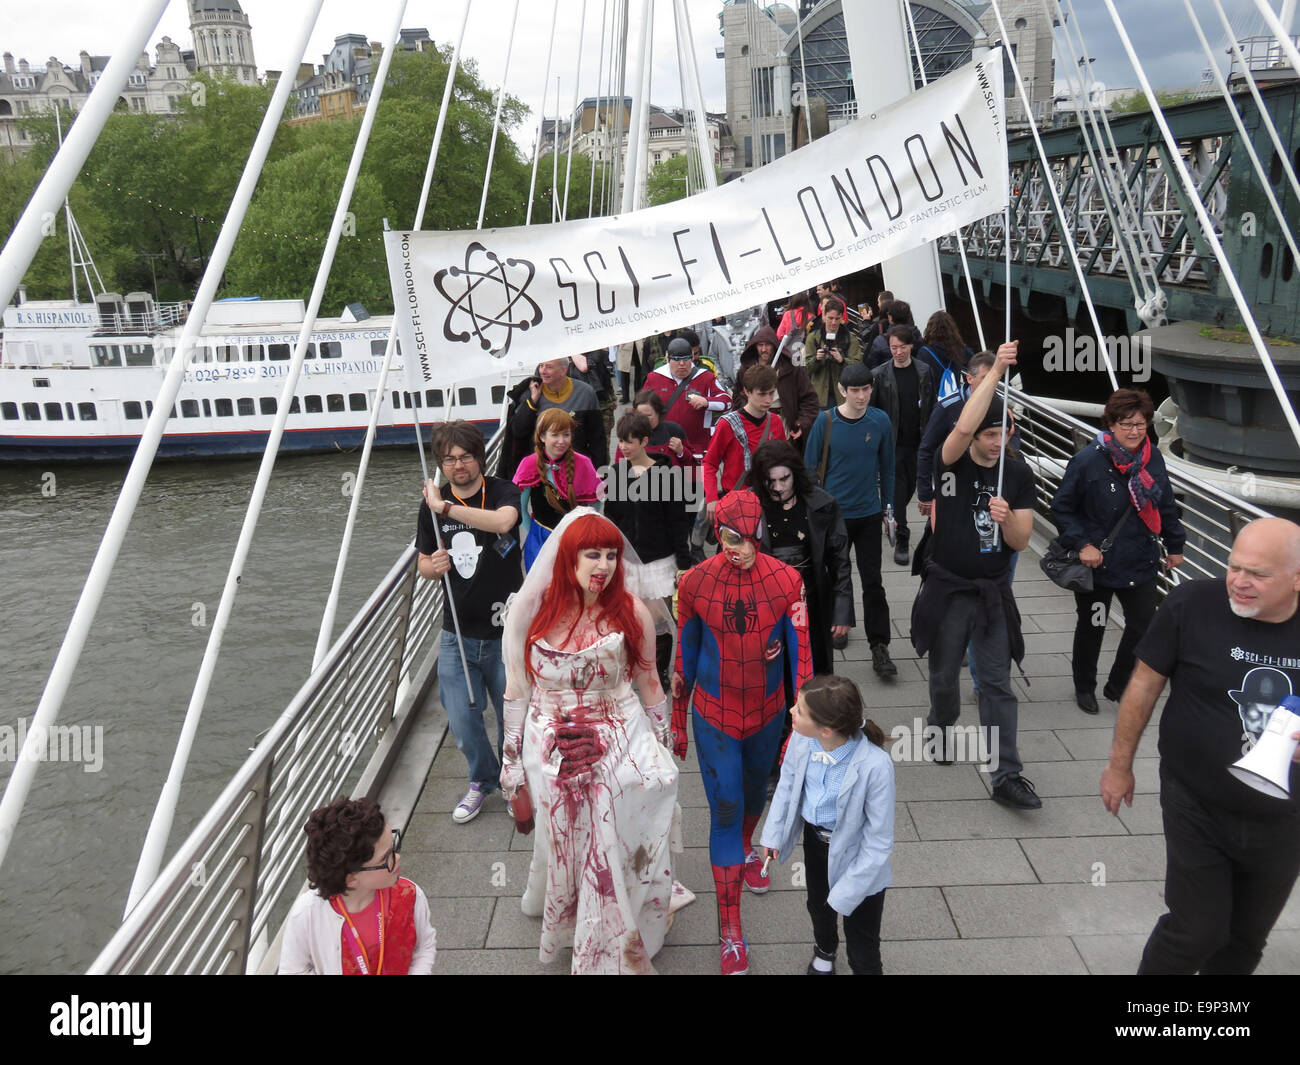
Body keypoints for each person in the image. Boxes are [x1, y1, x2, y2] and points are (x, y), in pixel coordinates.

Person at [1101, 518, 1300, 974]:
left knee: (1245, 940)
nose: (1240, 583)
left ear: (1296, 578)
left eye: (1259, 574)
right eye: (1235, 567)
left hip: (1285, 817)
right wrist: (1119, 766)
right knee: (1196, 929)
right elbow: (1145, 685)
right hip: (1196, 800)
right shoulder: (1192, 603)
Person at [499, 510, 679, 974]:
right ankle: (573, 914)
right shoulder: (530, 610)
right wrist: (512, 761)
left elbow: (650, 682)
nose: (604, 565)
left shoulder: (633, 611)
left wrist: (664, 739)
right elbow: (517, 687)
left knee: (611, 817)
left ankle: (610, 934)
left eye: (612, 555)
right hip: (549, 736)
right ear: (568, 559)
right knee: (563, 830)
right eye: (592, 554)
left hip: (618, 728)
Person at [673, 490, 813, 974]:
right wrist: (677, 718)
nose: (743, 549)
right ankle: (729, 927)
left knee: (755, 795)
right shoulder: (694, 583)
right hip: (714, 714)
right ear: (718, 533)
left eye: (753, 539)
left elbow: (802, 656)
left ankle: (750, 849)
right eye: (733, 538)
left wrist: (804, 722)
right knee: (726, 806)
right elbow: (684, 658)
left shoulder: (788, 581)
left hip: (768, 713)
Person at [910, 341, 1041, 809]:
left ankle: (1007, 774)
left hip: (991, 593)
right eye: (984, 433)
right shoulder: (954, 461)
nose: (991, 440)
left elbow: (1023, 540)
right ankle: (940, 725)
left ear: (1008, 433)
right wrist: (996, 372)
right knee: (944, 676)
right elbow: (963, 423)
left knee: (996, 683)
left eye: (999, 433)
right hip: (948, 588)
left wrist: (1008, 520)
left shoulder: (1018, 473)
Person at [1051, 389, 1186, 715]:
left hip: (1139, 559)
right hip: (1097, 565)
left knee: (1143, 626)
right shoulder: (1087, 461)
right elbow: (1062, 508)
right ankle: (1084, 686)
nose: (1134, 431)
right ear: (1111, 424)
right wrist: (1083, 545)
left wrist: (1175, 545)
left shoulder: (1152, 457)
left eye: (1140, 424)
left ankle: (1118, 684)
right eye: (1126, 424)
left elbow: (1164, 503)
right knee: (1092, 626)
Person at [417, 421, 524, 823]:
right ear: (441, 464)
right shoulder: (430, 505)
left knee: (511, 717)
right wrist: (433, 566)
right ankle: (482, 779)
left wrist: (443, 507)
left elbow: (502, 524)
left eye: (464, 457)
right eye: (449, 460)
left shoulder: (501, 491)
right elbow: (424, 561)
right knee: (462, 719)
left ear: (479, 457)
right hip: (457, 632)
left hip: (505, 632)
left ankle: (514, 781)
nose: (458, 466)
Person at [761, 675, 894, 975]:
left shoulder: (875, 766)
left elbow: (878, 841)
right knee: (818, 905)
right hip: (816, 843)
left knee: (862, 934)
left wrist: (846, 892)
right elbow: (788, 784)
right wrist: (775, 835)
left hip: (859, 857)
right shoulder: (802, 740)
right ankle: (825, 949)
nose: (791, 711)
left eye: (800, 709)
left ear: (827, 729)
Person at [805, 362, 897, 674]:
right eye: (855, 390)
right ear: (842, 390)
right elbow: (808, 469)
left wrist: (889, 509)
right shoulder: (825, 421)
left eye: (866, 389)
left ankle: (880, 645)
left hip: (869, 513)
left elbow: (888, 467)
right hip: (834, 517)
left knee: (873, 581)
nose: (862, 396)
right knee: (834, 577)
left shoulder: (880, 420)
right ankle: (839, 624)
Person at [280, 797, 437, 975]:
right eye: (386, 858)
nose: (398, 858)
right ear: (351, 879)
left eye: (393, 847)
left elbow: (424, 946)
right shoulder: (307, 914)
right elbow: (292, 970)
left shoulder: (410, 895)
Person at [604, 410, 693, 689]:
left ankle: (658, 673)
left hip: (658, 561)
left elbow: (677, 522)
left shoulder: (666, 474)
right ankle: (632, 669)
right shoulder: (617, 473)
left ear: (645, 440)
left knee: (659, 622)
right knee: (627, 619)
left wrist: (684, 563)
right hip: (627, 562)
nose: (624, 447)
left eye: (630, 441)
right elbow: (612, 520)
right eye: (621, 441)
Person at [750, 439, 852, 677]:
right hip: (764, 598)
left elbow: (840, 560)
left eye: (784, 479)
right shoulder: (749, 504)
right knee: (771, 669)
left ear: (795, 473)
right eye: (770, 481)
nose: (777, 487)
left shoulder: (822, 504)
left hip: (811, 595)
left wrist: (842, 610)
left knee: (814, 666)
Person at [872, 324, 936, 567]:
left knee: (912, 485)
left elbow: (930, 406)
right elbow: (875, 411)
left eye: (901, 347)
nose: (897, 352)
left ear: (911, 346)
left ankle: (890, 516)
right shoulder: (880, 374)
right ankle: (902, 535)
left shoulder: (924, 371)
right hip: (893, 442)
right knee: (899, 491)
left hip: (919, 441)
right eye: (893, 347)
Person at [512, 408, 602, 570]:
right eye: (555, 435)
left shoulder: (583, 463)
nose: (561, 441)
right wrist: (532, 532)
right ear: (542, 437)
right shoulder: (528, 464)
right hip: (540, 539)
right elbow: (521, 508)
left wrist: (587, 533)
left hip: (577, 538)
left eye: (566, 435)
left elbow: (595, 505)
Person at [702, 363, 786, 518]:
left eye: (771, 393)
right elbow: (709, 463)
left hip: (769, 501)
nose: (768, 400)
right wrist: (712, 499)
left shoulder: (776, 422)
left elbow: (784, 462)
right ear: (747, 391)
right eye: (762, 394)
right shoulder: (726, 424)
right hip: (735, 503)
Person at [642, 336, 732, 460]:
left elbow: (727, 402)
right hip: (662, 447)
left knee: (693, 479)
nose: (682, 364)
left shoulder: (706, 377)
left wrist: (707, 401)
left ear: (692, 358)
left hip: (695, 449)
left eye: (686, 359)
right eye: (677, 359)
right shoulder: (654, 377)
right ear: (668, 359)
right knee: (666, 479)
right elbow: (640, 408)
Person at [511, 356, 608, 469]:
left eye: (549, 367)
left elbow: (597, 439)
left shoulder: (585, 393)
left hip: (576, 467)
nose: (543, 371)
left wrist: (599, 475)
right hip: (540, 468)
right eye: (541, 365)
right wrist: (532, 402)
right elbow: (518, 431)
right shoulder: (531, 392)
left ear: (564, 369)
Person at [733, 324, 819, 448]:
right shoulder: (746, 370)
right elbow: (738, 395)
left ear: (774, 346)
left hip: (783, 422)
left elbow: (809, 398)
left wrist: (802, 422)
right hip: (754, 423)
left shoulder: (791, 369)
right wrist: (748, 413)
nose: (764, 349)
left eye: (767, 345)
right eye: (760, 345)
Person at [805, 299, 863, 410]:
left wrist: (842, 361)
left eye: (837, 319)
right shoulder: (813, 338)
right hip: (820, 396)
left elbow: (858, 366)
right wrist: (816, 359)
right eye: (830, 318)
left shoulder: (850, 338)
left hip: (844, 396)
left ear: (842, 318)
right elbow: (805, 369)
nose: (833, 322)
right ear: (824, 316)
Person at [632, 388, 697, 469]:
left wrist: (682, 452)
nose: (643, 419)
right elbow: (620, 472)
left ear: (658, 413)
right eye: (640, 415)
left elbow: (694, 467)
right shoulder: (630, 434)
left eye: (648, 416)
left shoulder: (674, 430)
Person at [917, 310, 974, 400]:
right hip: (955, 399)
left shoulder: (924, 352)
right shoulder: (959, 348)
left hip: (935, 400)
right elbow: (974, 362)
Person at [867, 299, 922, 369]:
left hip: (888, 377)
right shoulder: (917, 335)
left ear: (890, 317)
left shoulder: (880, 340)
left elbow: (872, 365)